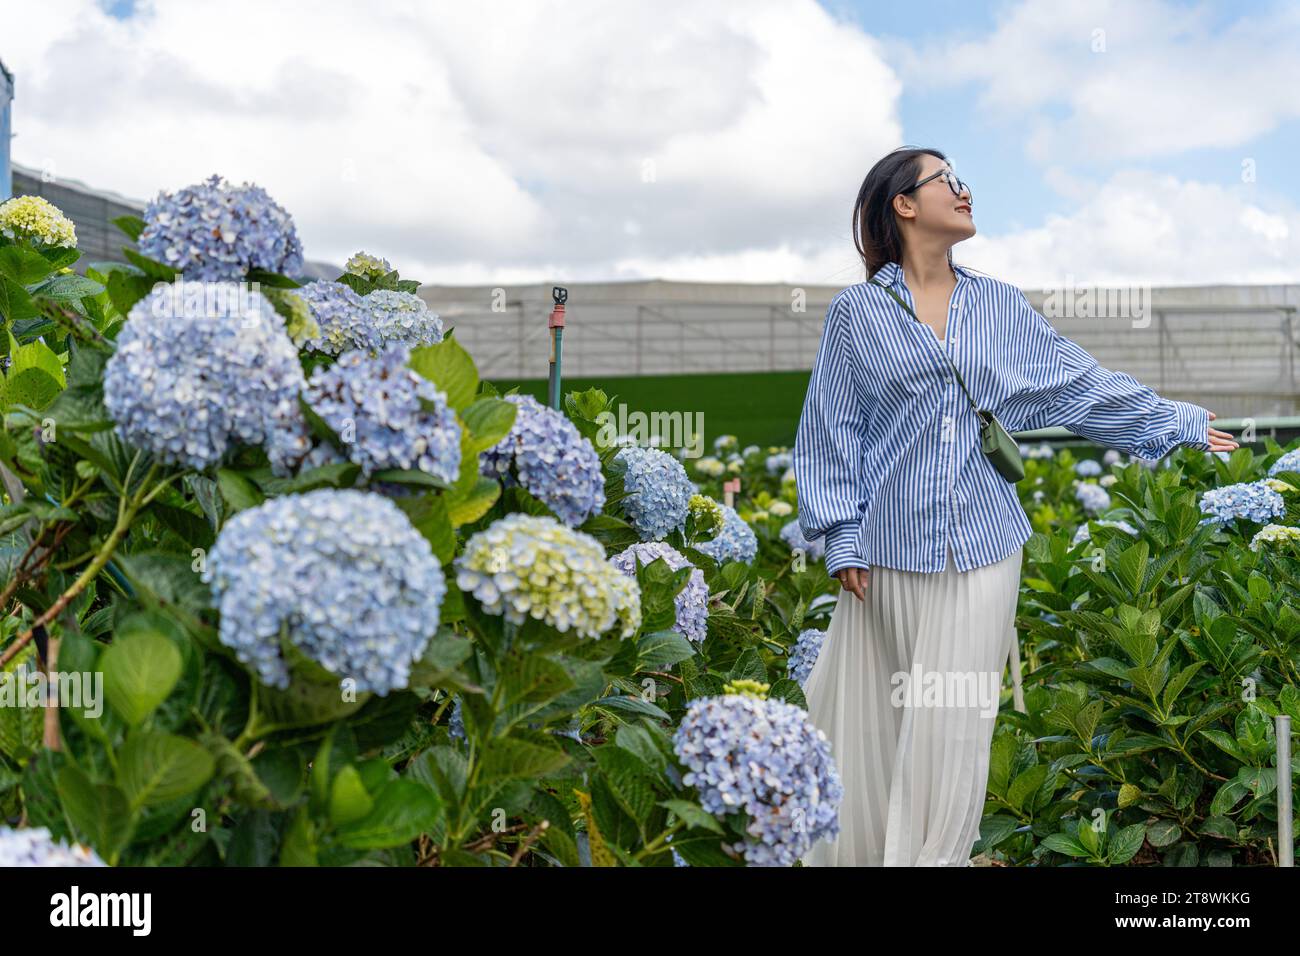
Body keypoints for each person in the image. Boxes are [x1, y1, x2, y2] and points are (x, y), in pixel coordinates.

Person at [793, 146, 1239, 867]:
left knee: (953, 717)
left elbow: (1076, 386)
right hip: (886, 550)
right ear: (905, 204)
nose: (965, 192)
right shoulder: (857, 314)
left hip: (985, 545)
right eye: (948, 182)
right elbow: (830, 426)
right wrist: (842, 533)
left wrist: (1171, 420)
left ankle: (933, 860)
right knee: (878, 716)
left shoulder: (998, 303)